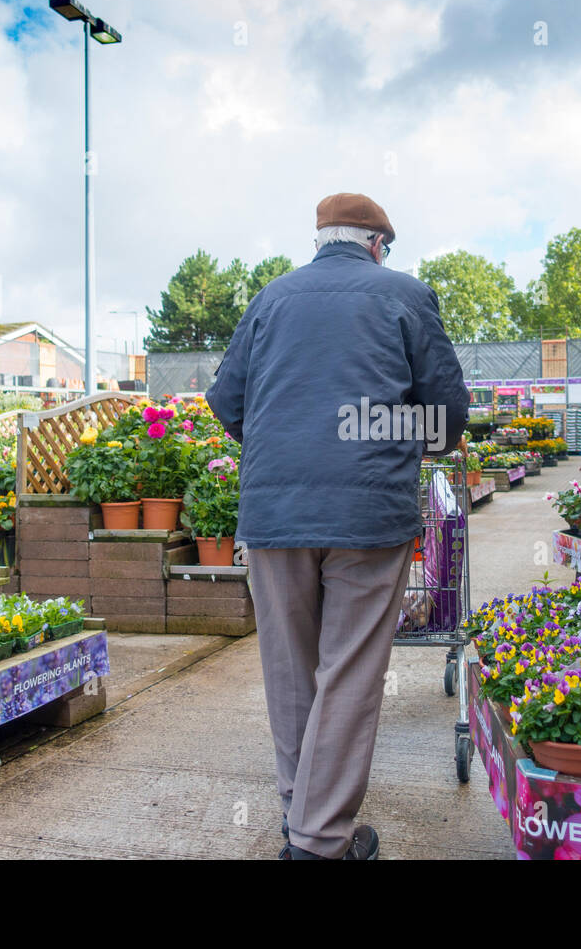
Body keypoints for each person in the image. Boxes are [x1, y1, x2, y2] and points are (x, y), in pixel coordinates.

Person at [207, 193, 469, 860]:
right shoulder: (405, 296)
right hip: (366, 514)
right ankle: (321, 842)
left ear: (322, 239)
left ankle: (302, 816)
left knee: (290, 669)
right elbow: (447, 417)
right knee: (349, 670)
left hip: (274, 513)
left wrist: (291, 438)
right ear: (378, 242)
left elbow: (227, 404)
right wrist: (380, 430)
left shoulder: (271, 298)